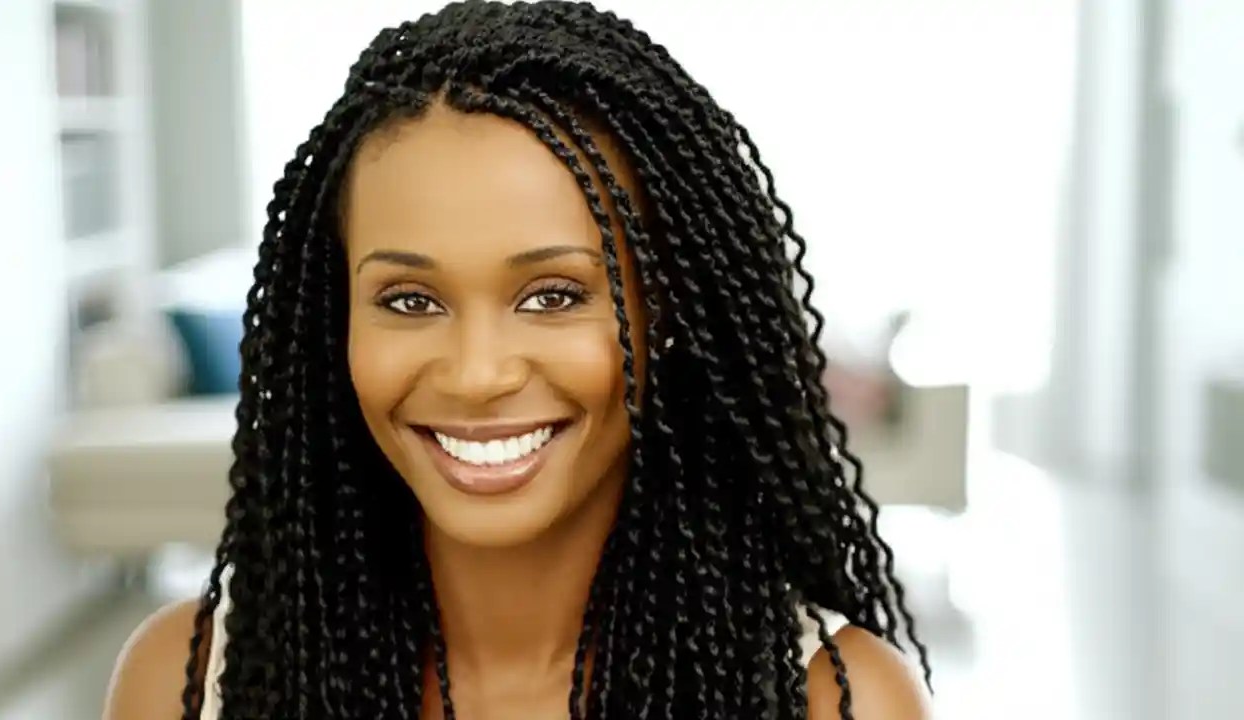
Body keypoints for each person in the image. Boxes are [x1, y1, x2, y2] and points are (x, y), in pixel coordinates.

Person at [104, 1, 933, 718]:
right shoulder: (185, 685)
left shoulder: (835, 700)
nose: (476, 373)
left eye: (553, 296)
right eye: (409, 301)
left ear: (667, 313)